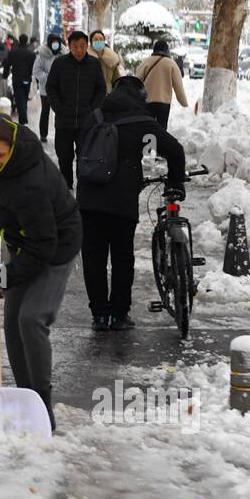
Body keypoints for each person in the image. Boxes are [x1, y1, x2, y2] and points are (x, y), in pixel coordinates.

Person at [0, 116, 82, 429]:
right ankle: (25, 398)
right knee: (11, 321)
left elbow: (42, 247)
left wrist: (7, 275)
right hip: (24, 242)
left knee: (31, 318)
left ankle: (41, 405)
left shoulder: (31, 183)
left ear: (12, 148)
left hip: (55, 246)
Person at [76, 75, 186, 331]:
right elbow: (175, 150)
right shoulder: (142, 121)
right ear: (140, 96)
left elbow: (80, 149)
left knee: (93, 258)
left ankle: (100, 316)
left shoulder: (95, 117)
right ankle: (118, 315)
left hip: (89, 198)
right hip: (121, 201)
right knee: (122, 257)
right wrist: (175, 183)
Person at [45, 30, 107, 188]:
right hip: (64, 121)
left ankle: (83, 187)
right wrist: (58, 108)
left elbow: (101, 89)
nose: (79, 50)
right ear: (69, 46)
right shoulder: (60, 63)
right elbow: (51, 87)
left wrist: (93, 110)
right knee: (64, 156)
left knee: (84, 156)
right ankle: (66, 186)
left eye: (82, 46)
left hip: (86, 123)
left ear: (87, 46)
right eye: (75, 46)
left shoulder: (94, 64)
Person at [135, 39, 188, 129]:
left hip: (147, 102)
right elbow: (178, 86)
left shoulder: (146, 62)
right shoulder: (171, 64)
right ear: (167, 50)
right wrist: (184, 103)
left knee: (147, 128)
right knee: (161, 130)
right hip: (163, 103)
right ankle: (159, 143)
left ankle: (147, 142)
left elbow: (136, 81)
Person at [31, 33, 63, 144]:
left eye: (57, 42)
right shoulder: (42, 55)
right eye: (53, 42)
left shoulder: (63, 54)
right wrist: (48, 78)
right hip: (46, 90)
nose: (56, 44)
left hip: (61, 90)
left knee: (60, 112)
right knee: (45, 111)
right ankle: (43, 134)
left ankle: (60, 134)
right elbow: (36, 71)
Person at [2, 33, 37, 126]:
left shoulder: (13, 52)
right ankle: (23, 118)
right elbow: (34, 67)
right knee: (24, 98)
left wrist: (5, 75)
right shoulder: (31, 54)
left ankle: (23, 120)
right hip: (26, 79)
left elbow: (7, 64)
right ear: (27, 41)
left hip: (16, 78)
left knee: (19, 98)